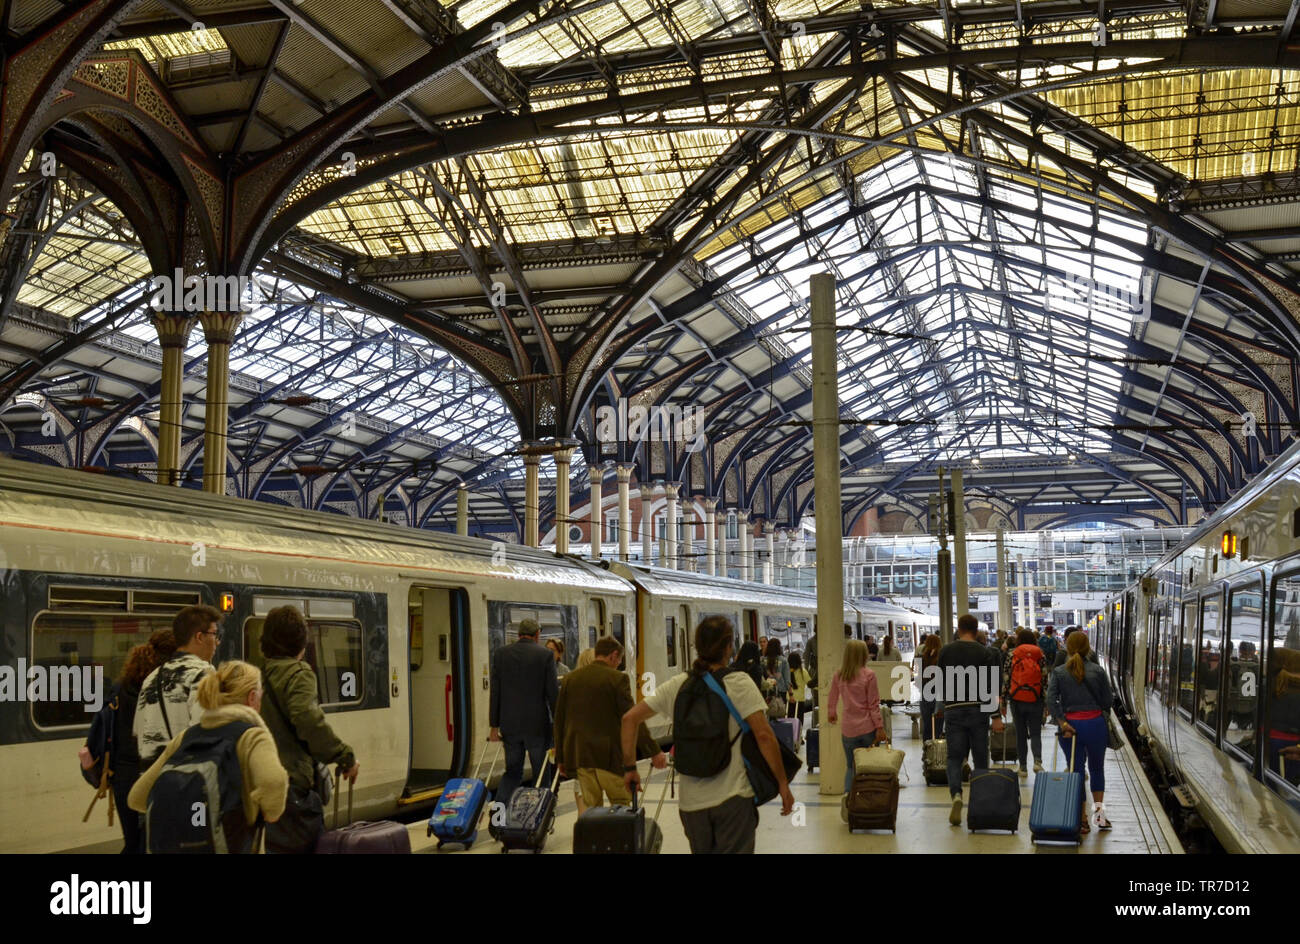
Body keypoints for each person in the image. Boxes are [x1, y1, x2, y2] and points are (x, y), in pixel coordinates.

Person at [622, 617, 794, 853]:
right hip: (733, 800)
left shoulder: (678, 684)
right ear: (727, 647)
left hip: (691, 806)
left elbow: (629, 719)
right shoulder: (739, 682)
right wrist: (783, 784)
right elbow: (764, 736)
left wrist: (629, 768)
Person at [129, 660, 287, 853]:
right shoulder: (252, 736)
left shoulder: (186, 737)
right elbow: (274, 782)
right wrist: (271, 813)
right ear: (253, 698)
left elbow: (136, 798)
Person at [259, 605, 359, 854]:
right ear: (301, 642)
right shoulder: (298, 673)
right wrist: (345, 756)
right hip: (291, 790)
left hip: (260, 786)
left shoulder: (257, 675)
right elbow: (308, 720)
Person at [80, 630, 175, 853]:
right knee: (153, 842)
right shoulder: (165, 690)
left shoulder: (120, 688)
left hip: (123, 778)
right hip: (153, 775)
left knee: (133, 842)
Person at [555, 636, 665, 813]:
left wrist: (561, 758)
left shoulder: (570, 678)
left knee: (590, 811)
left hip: (581, 757)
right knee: (620, 807)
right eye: (620, 660)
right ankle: (616, 841)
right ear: (613, 655)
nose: (618, 664)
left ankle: (593, 841)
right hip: (609, 758)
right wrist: (653, 750)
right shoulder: (617, 679)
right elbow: (632, 718)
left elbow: (560, 720)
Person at [937, 614, 1003, 826]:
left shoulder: (946, 650)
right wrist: (996, 717)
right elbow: (990, 686)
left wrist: (940, 706)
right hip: (978, 711)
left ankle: (956, 795)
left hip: (954, 710)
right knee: (981, 759)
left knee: (955, 758)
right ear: (976, 630)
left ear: (958, 628)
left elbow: (940, 681)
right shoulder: (985, 652)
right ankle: (980, 803)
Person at [135, 604, 221, 765]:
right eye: (214, 634)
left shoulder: (151, 678)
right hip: (188, 780)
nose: (217, 642)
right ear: (200, 637)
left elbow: (139, 734)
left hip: (153, 780)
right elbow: (208, 732)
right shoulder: (203, 674)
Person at [1046, 631, 1113, 832]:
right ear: (1087, 648)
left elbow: (1050, 700)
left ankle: (1081, 818)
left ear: (1067, 646)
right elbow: (1107, 701)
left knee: (1076, 771)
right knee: (1097, 769)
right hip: (1095, 726)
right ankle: (1099, 816)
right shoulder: (1098, 671)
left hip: (1071, 729)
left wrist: (1062, 722)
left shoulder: (1058, 672)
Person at [490, 618, 558, 805]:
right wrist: (559, 725)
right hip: (537, 725)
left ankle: (499, 816)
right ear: (537, 635)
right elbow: (552, 693)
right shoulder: (545, 655)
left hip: (510, 725)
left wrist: (494, 725)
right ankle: (538, 814)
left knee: (512, 772)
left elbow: (495, 692)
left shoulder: (501, 654)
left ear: (518, 634)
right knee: (541, 771)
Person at [828, 639, 885, 819]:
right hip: (867, 728)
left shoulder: (839, 675)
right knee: (867, 767)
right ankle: (868, 801)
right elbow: (873, 704)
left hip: (848, 729)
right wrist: (880, 727)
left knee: (850, 766)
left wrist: (831, 713)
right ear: (863, 655)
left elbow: (832, 698)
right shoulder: (869, 675)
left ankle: (847, 795)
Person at [1002, 628, 1046, 777]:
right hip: (1036, 698)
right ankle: (1038, 762)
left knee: (1020, 734)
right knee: (1035, 732)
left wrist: (1003, 700)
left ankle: (1023, 767)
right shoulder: (1039, 654)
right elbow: (1044, 678)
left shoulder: (1011, 654)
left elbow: (1006, 678)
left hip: (1016, 699)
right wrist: (1045, 701)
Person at [918, 633, 944, 741]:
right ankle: (937, 752)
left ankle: (927, 751)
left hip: (925, 696)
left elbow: (917, 680)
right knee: (937, 728)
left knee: (927, 728)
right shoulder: (942, 658)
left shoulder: (921, 658)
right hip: (939, 697)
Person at [764, 638, 791, 706]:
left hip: (766, 691)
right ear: (778, 647)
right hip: (781, 691)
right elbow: (787, 679)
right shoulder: (783, 660)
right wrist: (791, 694)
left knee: (769, 714)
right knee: (779, 713)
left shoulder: (762, 660)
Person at [787, 651, 811, 725]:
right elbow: (810, 683)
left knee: (789, 721)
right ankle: (798, 736)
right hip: (800, 700)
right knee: (799, 722)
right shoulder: (802, 671)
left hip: (789, 699)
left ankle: (790, 736)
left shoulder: (787, 671)